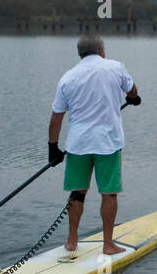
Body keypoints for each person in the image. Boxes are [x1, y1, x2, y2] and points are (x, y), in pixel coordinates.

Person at [48, 33, 141, 256]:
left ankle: (72, 242)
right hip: (107, 143)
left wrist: (52, 148)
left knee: (77, 193)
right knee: (109, 193)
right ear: (101, 50)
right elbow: (133, 90)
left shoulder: (67, 77)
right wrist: (133, 98)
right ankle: (108, 244)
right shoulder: (115, 67)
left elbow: (56, 117)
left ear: (81, 54)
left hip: (77, 144)